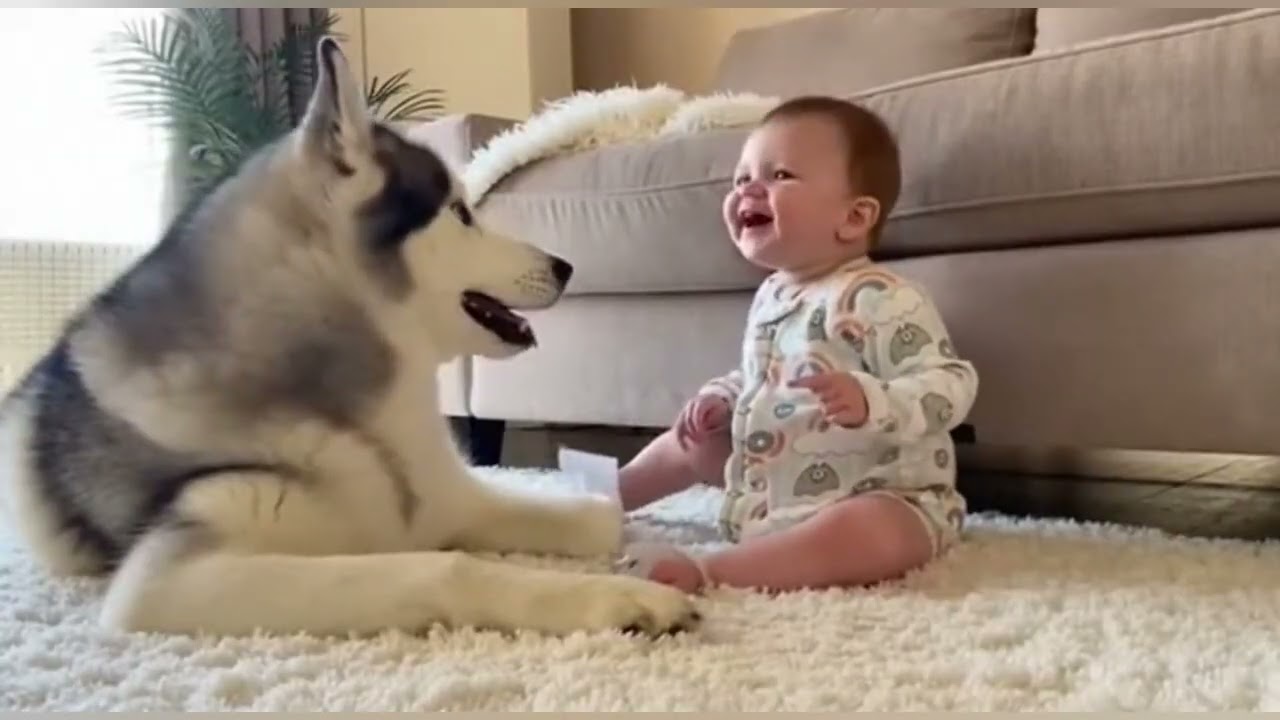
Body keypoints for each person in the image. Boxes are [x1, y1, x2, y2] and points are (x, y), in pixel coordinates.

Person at [613, 96, 979, 595]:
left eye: (779, 175)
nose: (749, 189)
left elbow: (950, 383)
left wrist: (871, 398)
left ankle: (713, 572)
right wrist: (722, 397)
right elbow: (762, 378)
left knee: (875, 531)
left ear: (853, 217)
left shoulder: (885, 298)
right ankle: (601, 503)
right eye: (742, 178)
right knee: (692, 440)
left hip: (879, 492)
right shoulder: (774, 294)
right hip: (775, 483)